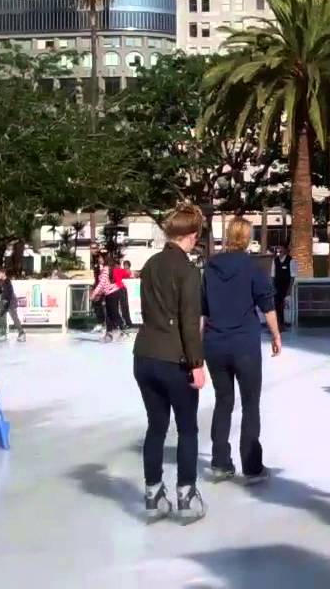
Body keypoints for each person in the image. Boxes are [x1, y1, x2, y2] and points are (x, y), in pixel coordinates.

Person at [133, 203, 208, 523]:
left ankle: (153, 492)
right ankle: (186, 493)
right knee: (188, 428)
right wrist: (197, 363)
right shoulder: (188, 271)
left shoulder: (149, 265)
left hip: (144, 356)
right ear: (190, 236)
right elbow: (190, 322)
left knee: (156, 427)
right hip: (174, 360)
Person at [202, 217, 283, 485]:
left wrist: (200, 342)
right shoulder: (251, 267)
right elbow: (266, 304)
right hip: (244, 345)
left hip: (215, 343)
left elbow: (203, 309)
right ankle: (251, 466)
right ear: (247, 238)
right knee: (250, 403)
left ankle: (220, 462)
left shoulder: (210, 267)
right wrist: (275, 334)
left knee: (223, 401)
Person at [90, 256, 124, 342]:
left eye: (101, 258)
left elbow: (102, 283)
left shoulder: (105, 269)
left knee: (113, 313)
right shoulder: (105, 268)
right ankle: (110, 334)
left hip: (112, 293)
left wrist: (94, 293)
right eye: (99, 258)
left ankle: (122, 330)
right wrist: (99, 293)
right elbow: (104, 285)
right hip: (110, 293)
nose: (99, 259)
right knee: (109, 314)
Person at [0, 269, 26, 342]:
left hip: (10, 302)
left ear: (3, 273)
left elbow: (10, 293)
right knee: (2, 318)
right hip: (4, 302)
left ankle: (22, 333)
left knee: (14, 318)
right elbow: (0, 290)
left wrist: (6, 302)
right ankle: (3, 334)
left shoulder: (8, 281)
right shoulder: (1, 281)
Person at [272, 245, 296, 329]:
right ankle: (278, 323)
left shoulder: (291, 260)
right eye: (279, 248)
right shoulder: (275, 261)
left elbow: (293, 276)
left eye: (282, 248)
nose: (280, 250)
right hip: (277, 286)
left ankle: (285, 323)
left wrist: (289, 289)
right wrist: (273, 287)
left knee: (284, 305)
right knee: (277, 305)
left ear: (286, 250)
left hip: (286, 286)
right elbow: (273, 275)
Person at [115, 260, 136, 331]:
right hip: (119, 289)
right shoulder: (119, 270)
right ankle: (126, 323)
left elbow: (128, 274)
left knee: (122, 307)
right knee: (122, 307)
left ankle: (125, 323)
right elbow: (128, 274)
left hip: (119, 289)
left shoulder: (117, 271)